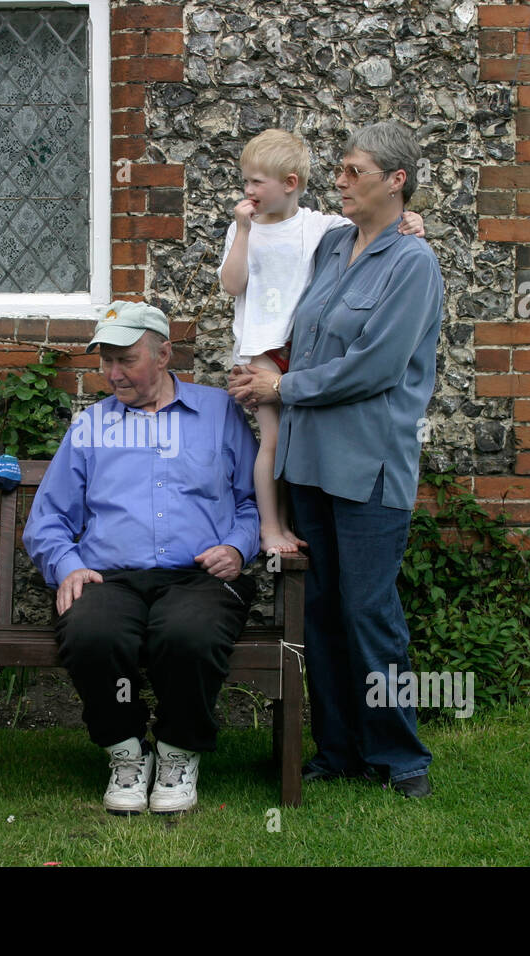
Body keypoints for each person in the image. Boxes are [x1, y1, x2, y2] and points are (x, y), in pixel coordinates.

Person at [228, 121, 444, 798]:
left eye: (354, 172)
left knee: (369, 612)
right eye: (342, 171)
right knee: (318, 610)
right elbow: (287, 287)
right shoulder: (331, 245)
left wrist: (284, 386)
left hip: (370, 466)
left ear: (395, 181)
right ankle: (338, 749)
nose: (341, 181)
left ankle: (399, 755)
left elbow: (376, 366)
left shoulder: (414, 264)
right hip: (309, 462)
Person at [23, 301, 259, 815]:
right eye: (106, 361)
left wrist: (239, 546)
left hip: (199, 576)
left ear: (164, 353)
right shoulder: (91, 425)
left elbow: (252, 500)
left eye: (126, 359)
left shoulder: (219, 412)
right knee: (91, 634)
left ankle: (177, 751)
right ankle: (125, 750)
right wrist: (67, 565)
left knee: (187, 635)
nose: (113, 374)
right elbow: (47, 520)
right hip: (111, 577)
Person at [218, 128, 424, 556]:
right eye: (246, 180)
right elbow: (231, 285)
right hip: (262, 349)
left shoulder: (324, 229)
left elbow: (378, 225)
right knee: (274, 439)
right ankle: (271, 528)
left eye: (257, 181)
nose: (248, 190)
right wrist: (241, 231)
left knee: (294, 438)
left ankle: (285, 523)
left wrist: (414, 221)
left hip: (300, 356)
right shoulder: (251, 230)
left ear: (290, 183)